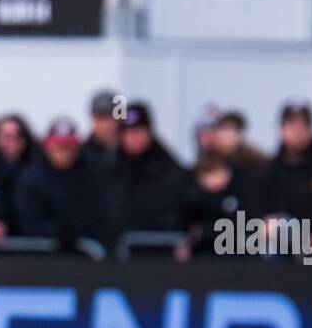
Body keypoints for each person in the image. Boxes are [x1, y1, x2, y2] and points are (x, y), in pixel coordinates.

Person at [100, 101, 189, 256]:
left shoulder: (172, 171)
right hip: (115, 259)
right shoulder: (107, 171)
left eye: (138, 131)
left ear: (149, 131)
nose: (133, 137)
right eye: (127, 132)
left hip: (160, 259)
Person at [13, 116, 104, 247]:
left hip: (86, 253)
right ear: (47, 147)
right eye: (59, 147)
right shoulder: (31, 178)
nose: (64, 153)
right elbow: (29, 223)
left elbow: (98, 216)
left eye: (69, 147)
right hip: (43, 254)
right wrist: (66, 231)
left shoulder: (91, 175)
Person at [257, 99, 312, 224]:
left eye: (304, 125)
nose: (299, 132)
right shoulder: (268, 172)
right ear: (281, 129)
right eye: (292, 125)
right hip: (282, 240)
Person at [83, 90, 120, 169]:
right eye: (102, 118)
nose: (107, 125)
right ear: (93, 120)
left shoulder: (135, 153)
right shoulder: (79, 157)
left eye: (112, 118)